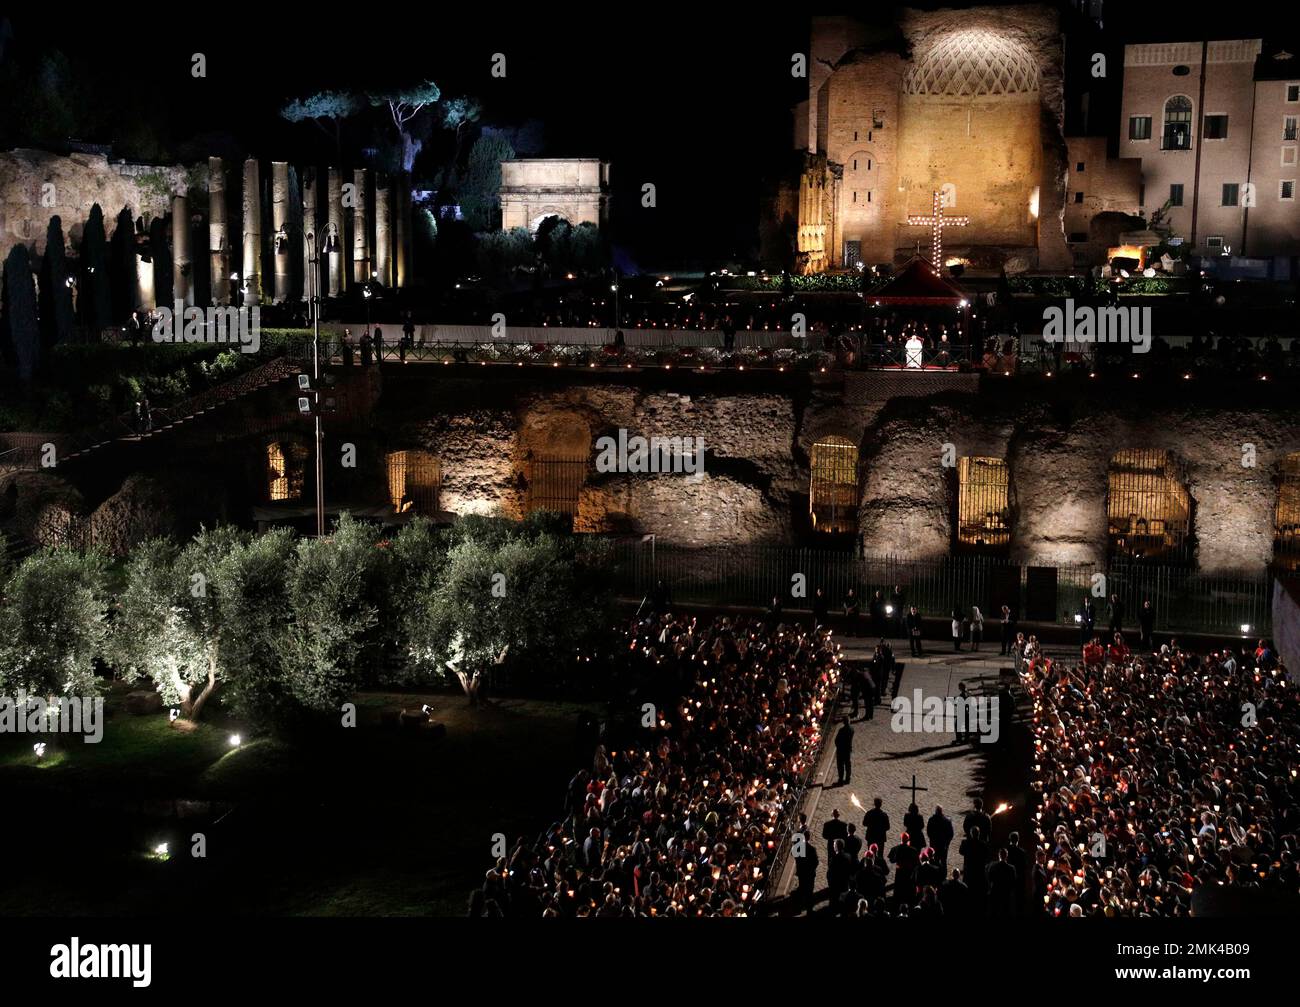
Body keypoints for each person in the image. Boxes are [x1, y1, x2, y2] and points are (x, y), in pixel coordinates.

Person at [985, 847, 1019, 917]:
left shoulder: (993, 866)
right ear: (1007, 855)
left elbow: (989, 879)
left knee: (994, 912)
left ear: (999, 855)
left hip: (995, 892)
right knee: (1005, 912)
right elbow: (1013, 881)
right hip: (1006, 893)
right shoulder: (1011, 868)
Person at [794, 829, 819, 915]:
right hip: (810, 874)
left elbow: (796, 859)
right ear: (809, 838)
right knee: (809, 892)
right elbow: (816, 862)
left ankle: (799, 908)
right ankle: (809, 910)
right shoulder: (812, 849)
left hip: (802, 873)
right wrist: (811, 869)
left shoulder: (798, 848)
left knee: (802, 889)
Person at [834, 716, 854, 785]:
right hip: (848, 750)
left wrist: (838, 746)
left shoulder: (841, 730)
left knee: (840, 766)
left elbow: (836, 740)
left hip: (841, 750)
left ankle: (841, 780)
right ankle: (848, 779)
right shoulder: (852, 729)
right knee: (848, 765)